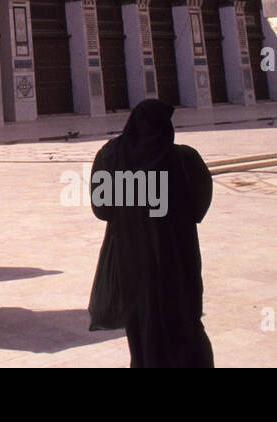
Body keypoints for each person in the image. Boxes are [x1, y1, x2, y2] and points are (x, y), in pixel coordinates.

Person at [88, 99, 215, 368]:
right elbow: (198, 207)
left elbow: (102, 210)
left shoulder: (110, 156)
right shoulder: (184, 159)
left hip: (131, 257)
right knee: (183, 319)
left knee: (141, 322)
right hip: (178, 256)